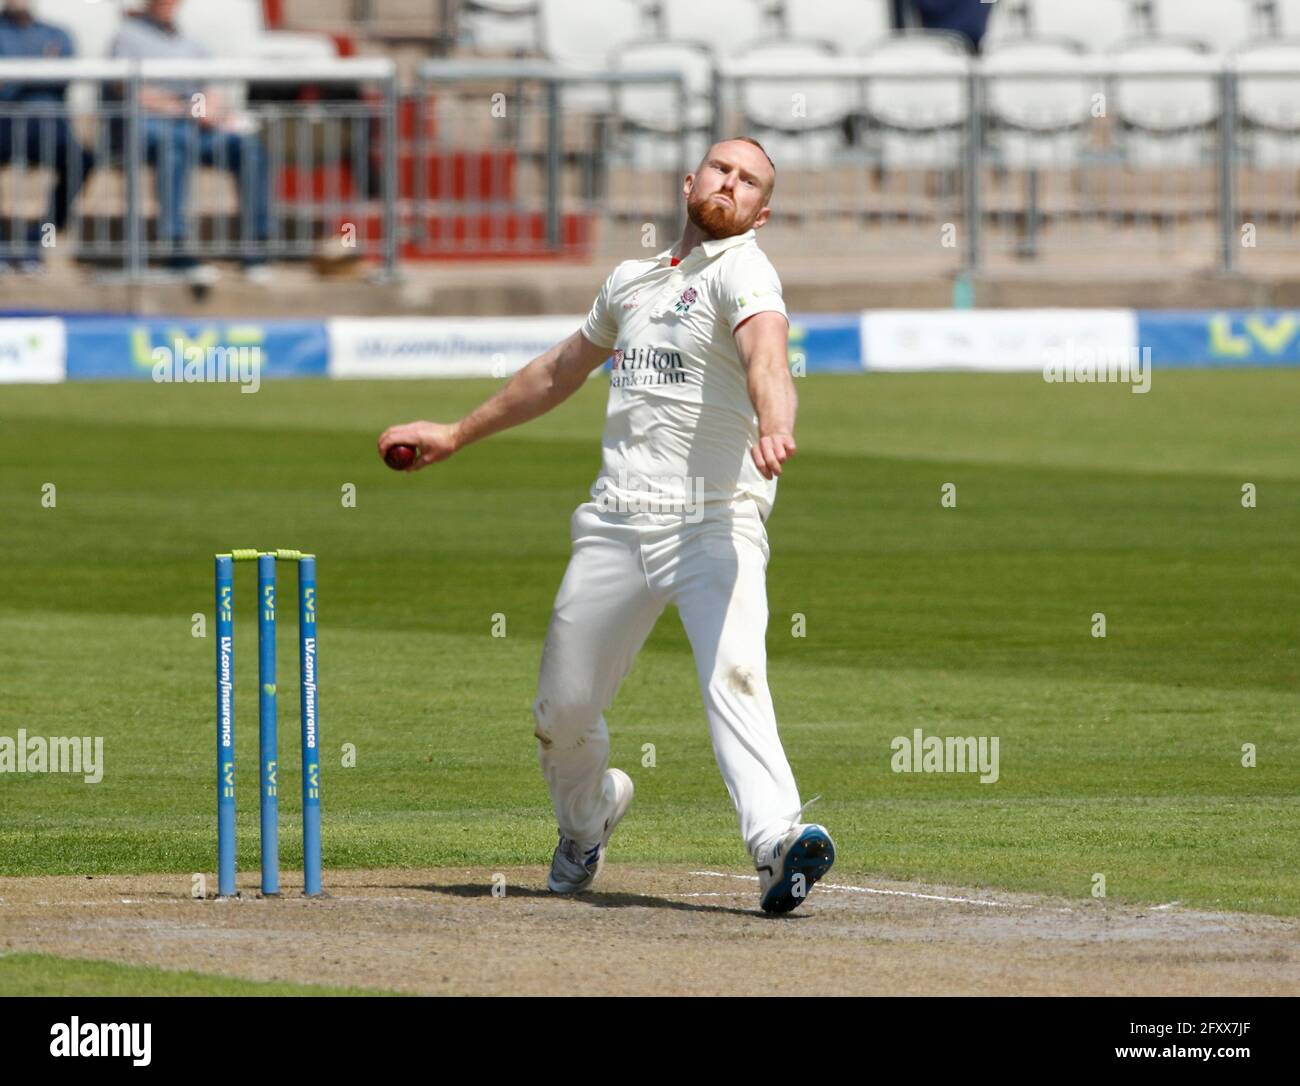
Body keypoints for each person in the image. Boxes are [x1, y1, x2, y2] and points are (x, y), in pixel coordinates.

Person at [378, 137, 836, 915]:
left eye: (749, 181)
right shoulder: (629, 282)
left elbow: (768, 358)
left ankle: (776, 846)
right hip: (617, 524)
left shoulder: (745, 270)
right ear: (690, 181)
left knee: (736, 676)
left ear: (764, 210)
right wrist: (456, 432)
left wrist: (775, 422)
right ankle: (586, 824)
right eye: (722, 169)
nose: (731, 184)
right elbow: (558, 372)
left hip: (714, 523)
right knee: (562, 715)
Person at [110, 0, 271, 278]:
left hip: (196, 129)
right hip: (149, 130)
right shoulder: (127, 37)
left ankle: (255, 243)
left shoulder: (193, 44)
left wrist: (206, 110)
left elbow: (212, 91)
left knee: (248, 148)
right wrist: (185, 109)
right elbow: (131, 90)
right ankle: (176, 246)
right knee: (174, 145)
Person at [0, 0, 95, 273]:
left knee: (82, 160)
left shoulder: (57, 33)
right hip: (5, 121)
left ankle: (40, 239)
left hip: (50, 124)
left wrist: (14, 75)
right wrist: (39, 69)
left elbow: (63, 79)